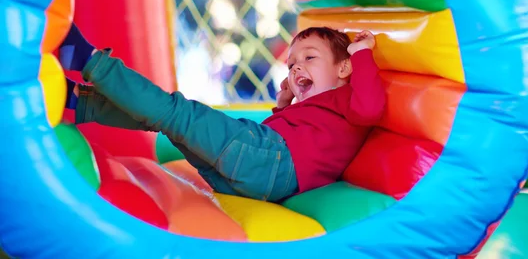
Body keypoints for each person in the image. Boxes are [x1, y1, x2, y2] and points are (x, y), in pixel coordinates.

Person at [60, 24, 386, 202]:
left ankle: (88, 60)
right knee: (169, 123)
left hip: (269, 162)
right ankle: (80, 101)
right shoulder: (322, 111)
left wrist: (361, 55)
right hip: (258, 181)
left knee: (177, 112)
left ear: (344, 67)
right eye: (291, 63)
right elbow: (302, 136)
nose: (296, 65)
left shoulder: (348, 95)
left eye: (309, 58)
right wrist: (286, 104)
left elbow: (370, 108)